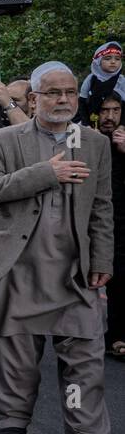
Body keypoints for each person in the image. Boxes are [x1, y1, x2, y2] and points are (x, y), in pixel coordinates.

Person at [0, 60, 125, 434]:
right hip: (19, 264)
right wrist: (46, 173)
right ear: (33, 98)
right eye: (53, 93)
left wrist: (102, 260)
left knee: (85, 352)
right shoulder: (4, 140)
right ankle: (10, 421)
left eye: (69, 93)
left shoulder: (94, 143)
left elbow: (102, 207)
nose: (63, 100)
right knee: (15, 352)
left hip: (75, 269)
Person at [98, 92, 125, 361]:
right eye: (105, 111)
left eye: (115, 111)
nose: (110, 117)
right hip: (93, 218)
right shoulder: (83, 138)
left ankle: (117, 335)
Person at [78, 39, 123, 125]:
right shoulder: (91, 79)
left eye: (117, 59)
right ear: (98, 61)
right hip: (91, 122)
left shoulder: (121, 81)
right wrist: (86, 124)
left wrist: (122, 127)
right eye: (107, 58)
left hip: (116, 125)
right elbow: (82, 102)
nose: (113, 62)